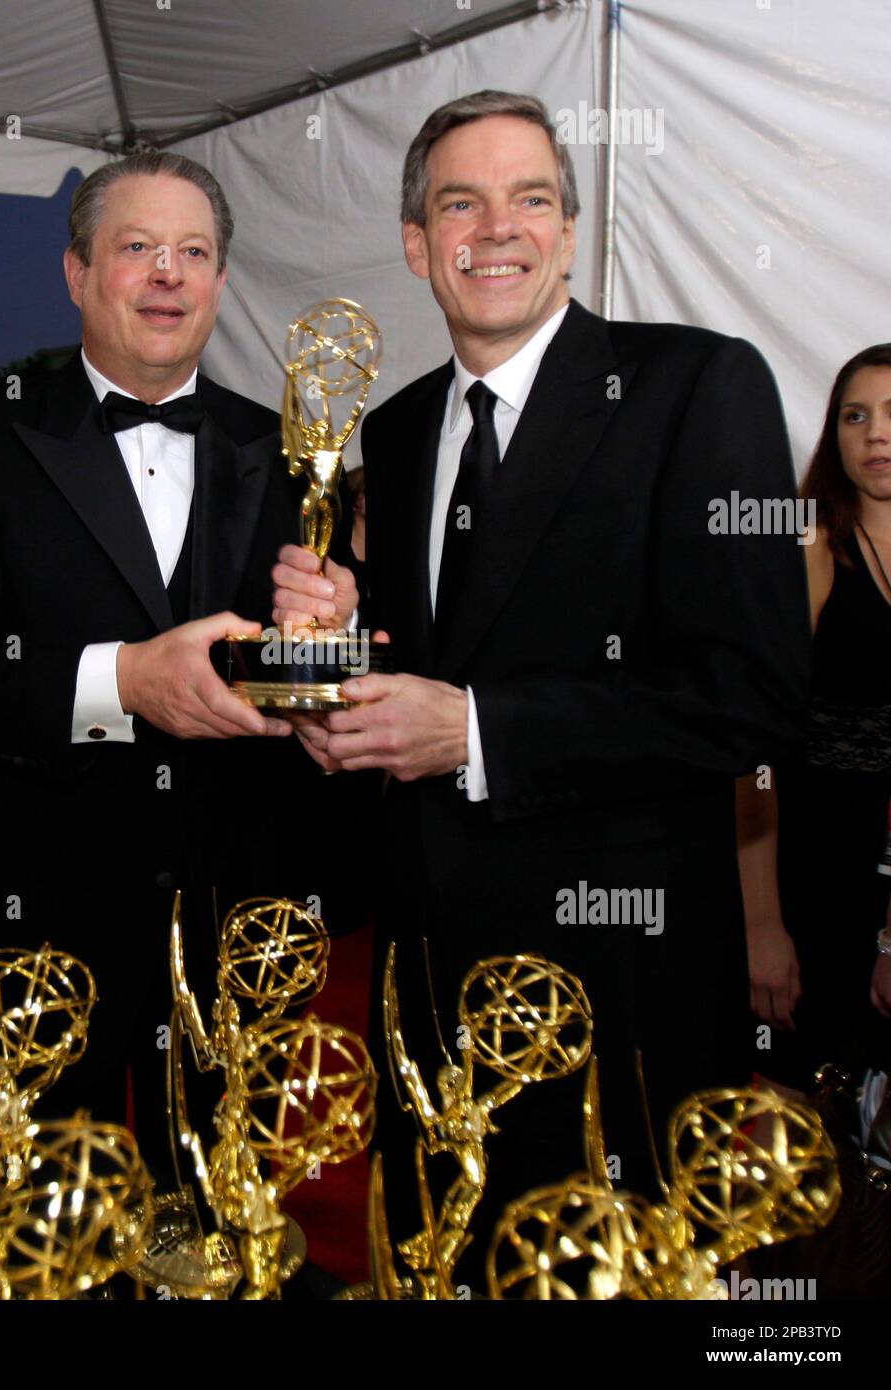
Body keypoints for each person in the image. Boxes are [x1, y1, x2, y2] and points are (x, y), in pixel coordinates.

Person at [274, 90, 810, 1222]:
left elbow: (753, 700)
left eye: (531, 199)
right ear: (420, 244)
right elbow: (445, 650)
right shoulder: (404, 427)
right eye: (460, 203)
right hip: (428, 987)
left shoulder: (698, 388)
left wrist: (476, 731)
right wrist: (345, 673)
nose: (498, 227)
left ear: (570, 231)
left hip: (620, 988)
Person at [0, 151, 347, 1157]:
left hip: (233, 930)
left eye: (193, 251)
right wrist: (122, 682)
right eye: (137, 248)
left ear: (222, 280)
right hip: (34, 928)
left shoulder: (290, 452)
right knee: (44, 1232)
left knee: (220, 1216)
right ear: (77, 274)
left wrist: (333, 625)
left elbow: (309, 667)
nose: (168, 272)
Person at [741, 345, 891, 1089]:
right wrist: (762, 921)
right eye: (855, 415)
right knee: (803, 1122)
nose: (876, 435)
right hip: (809, 866)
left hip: (885, 873)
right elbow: (752, 745)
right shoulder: (812, 545)